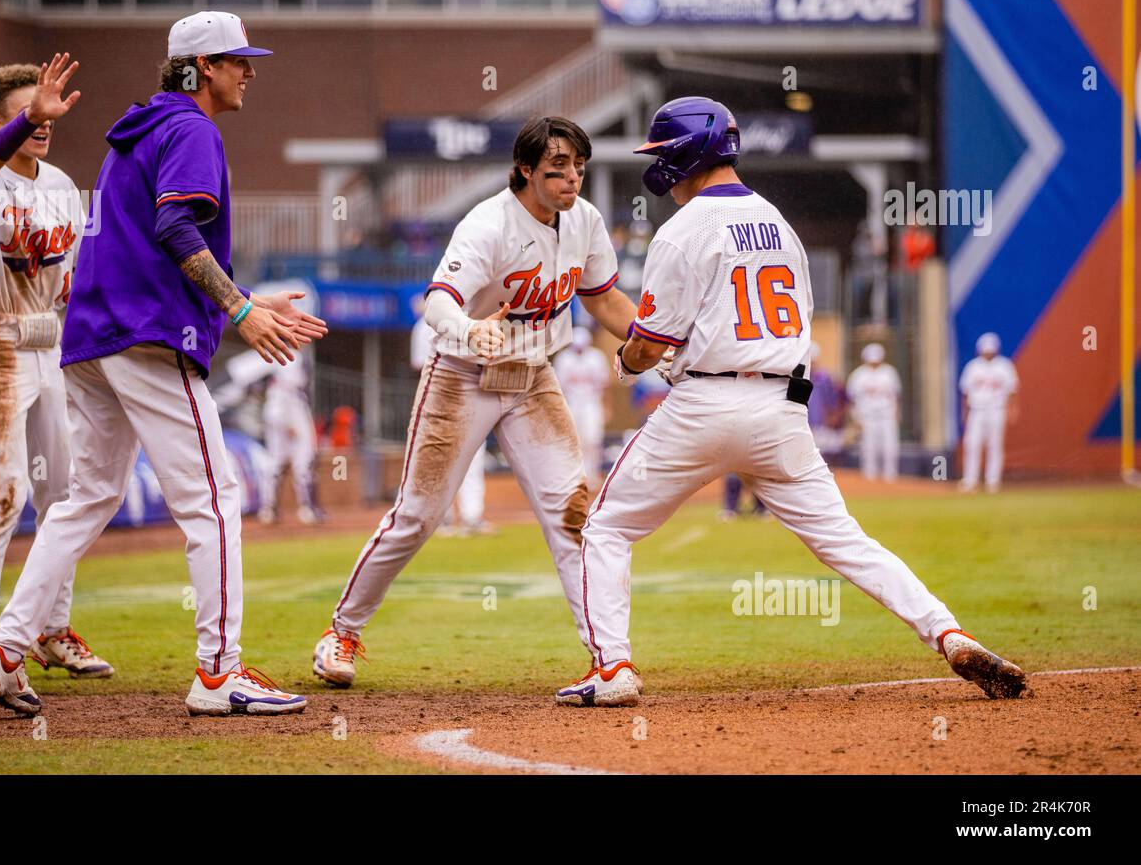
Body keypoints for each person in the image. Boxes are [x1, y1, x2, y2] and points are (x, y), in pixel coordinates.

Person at [558, 96, 1025, 707]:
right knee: (847, 542)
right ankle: (948, 631)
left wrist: (626, 363)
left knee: (607, 528)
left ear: (688, 152)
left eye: (665, 151)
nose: (661, 165)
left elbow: (648, 345)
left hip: (702, 405)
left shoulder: (682, 230)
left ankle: (613, 667)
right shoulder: (780, 223)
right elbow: (793, 327)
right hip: (780, 409)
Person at [0, 12, 327, 717]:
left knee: (87, 499)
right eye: (234, 60)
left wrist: (242, 297)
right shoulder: (192, 128)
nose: (248, 70)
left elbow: (149, 242)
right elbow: (174, 227)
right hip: (146, 338)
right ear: (198, 68)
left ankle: (1, 649)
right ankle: (219, 674)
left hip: (93, 338)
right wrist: (240, 310)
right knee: (217, 498)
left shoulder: (137, 133)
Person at [313, 115, 638, 689]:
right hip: (462, 373)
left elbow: (605, 298)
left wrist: (656, 345)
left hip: (533, 373)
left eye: (579, 168)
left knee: (573, 517)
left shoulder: (584, 220)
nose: (572, 180)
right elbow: (438, 300)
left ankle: (609, 658)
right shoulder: (488, 223)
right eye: (558, 168)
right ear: (525, 170)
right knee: (417, 517)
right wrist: (468, 329)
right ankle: (341, 632)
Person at [0, 57, 111, 691]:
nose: (44, 116)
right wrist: (24, 122)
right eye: (28, 108)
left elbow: (69, 278)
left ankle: (49, 628)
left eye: (48, 107)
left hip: (49, 340)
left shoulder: (65, 185)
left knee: (64, 496)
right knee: (1, 491)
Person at [409, 298, 492, 536]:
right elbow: (419, 365)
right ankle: (440, 518)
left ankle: (471, 516)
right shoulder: (422, 327)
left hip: (471, 397)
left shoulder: (469, 322)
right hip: (440, 396)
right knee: (439, 460)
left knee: (473, 459)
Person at [261, 354, 325, 525]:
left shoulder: (275, 355)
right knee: (303, 461)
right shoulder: (291, 358)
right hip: (288, 407)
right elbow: (289, 385)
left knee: (275, 462)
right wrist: (288, 423)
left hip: (277, 405)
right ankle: (307, 509)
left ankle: (269, 509)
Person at [959, 332, 1019, 493]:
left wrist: (1012, 409)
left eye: (990, 350)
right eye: (985, 350)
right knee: (972, 444)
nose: (988, 353)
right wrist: (964, 411)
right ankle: (970, 480)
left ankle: (993, 481)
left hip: (996, 409)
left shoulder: (1004, 365)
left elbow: (1012, 390)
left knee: (995, 445)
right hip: (977, 410)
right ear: (980, 350)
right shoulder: (973, 366)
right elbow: (965, 392)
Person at [553, 324, 610, 486]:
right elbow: (559, 388)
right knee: (572, 440)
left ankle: (591, 474)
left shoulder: (596, 357)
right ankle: (574, 477)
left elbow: (605, 385)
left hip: (592, 403)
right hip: (571, 403)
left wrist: (607, 407)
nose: (579, 351)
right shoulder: (564, 358)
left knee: (593, 439)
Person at [846, 343, 901, 481]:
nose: (874, 363)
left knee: (890, 445)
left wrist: (898, 413)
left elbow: (897, 396)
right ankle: (869, 475)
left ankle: (890, 474)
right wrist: (854, 416)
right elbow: (851, 398)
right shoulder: (858, 375)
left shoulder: (889, 372)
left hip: (887, 414)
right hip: (867, 415)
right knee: (868, 447)